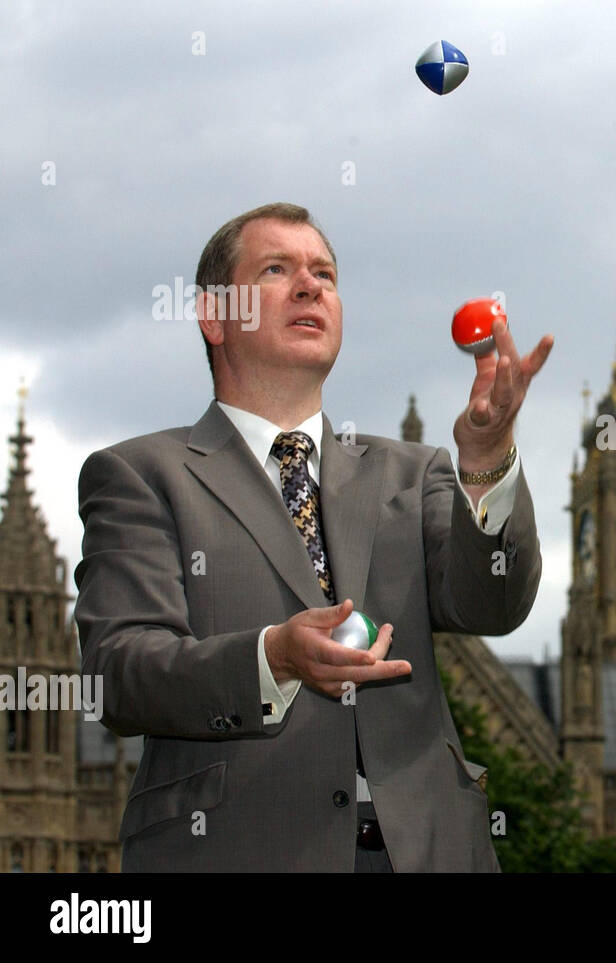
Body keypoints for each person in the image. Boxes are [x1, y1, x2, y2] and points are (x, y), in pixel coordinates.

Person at [74, 202, 551, 871]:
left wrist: (488, 458)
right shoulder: (141, 474)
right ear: (214, 316)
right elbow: (119, 675)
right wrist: (273, 657)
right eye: (278, 269)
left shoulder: (415, 473)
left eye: (324, 273)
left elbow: (492, 606)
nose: (310, 285)